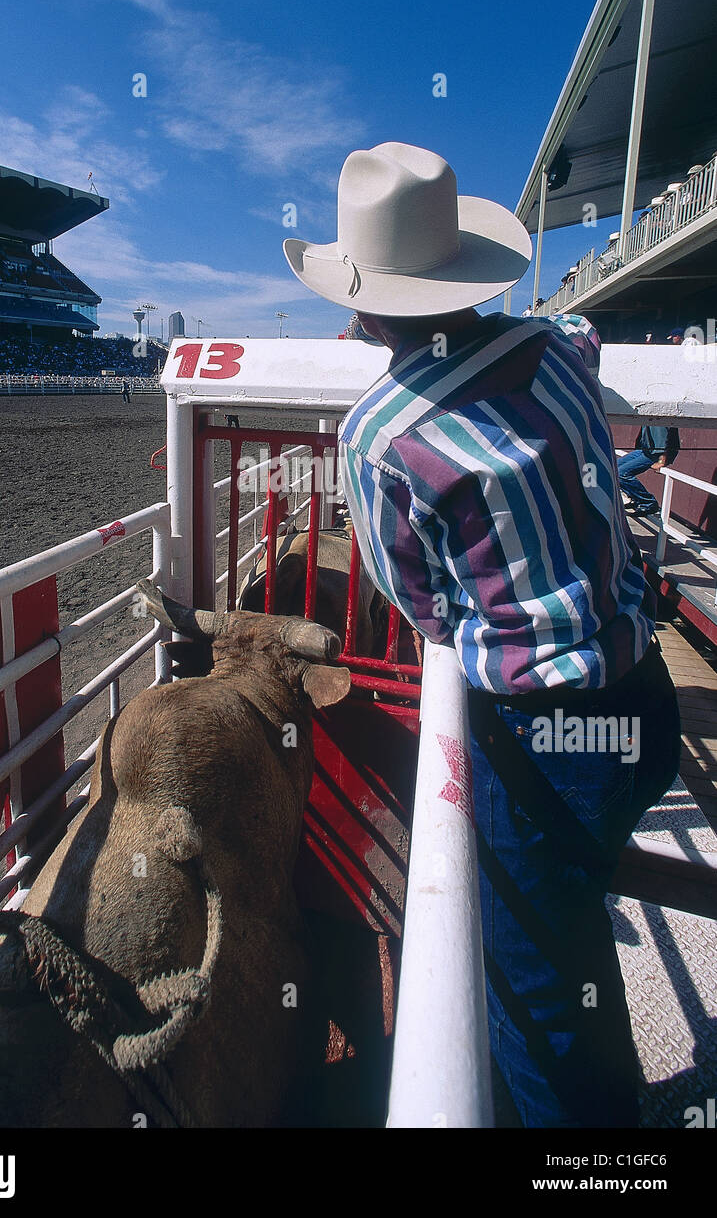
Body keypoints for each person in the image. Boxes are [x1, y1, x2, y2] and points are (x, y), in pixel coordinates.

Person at [284, 142, 680, 1129]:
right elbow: (576, 332)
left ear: (366, 306)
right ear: (459, 269)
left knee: (534, 995)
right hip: (644, 705)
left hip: (547, 740)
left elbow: (417, 602)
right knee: (570, 936)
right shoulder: (556, 349)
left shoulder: (376, 435)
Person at [616, 424, 680, 518]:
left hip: (655, 453)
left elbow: (667, 438)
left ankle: (648, 502)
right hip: (644, 450)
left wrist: (663, 460)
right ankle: (635, 499)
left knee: (622, 473)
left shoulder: (660, 415)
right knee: (614, 468)